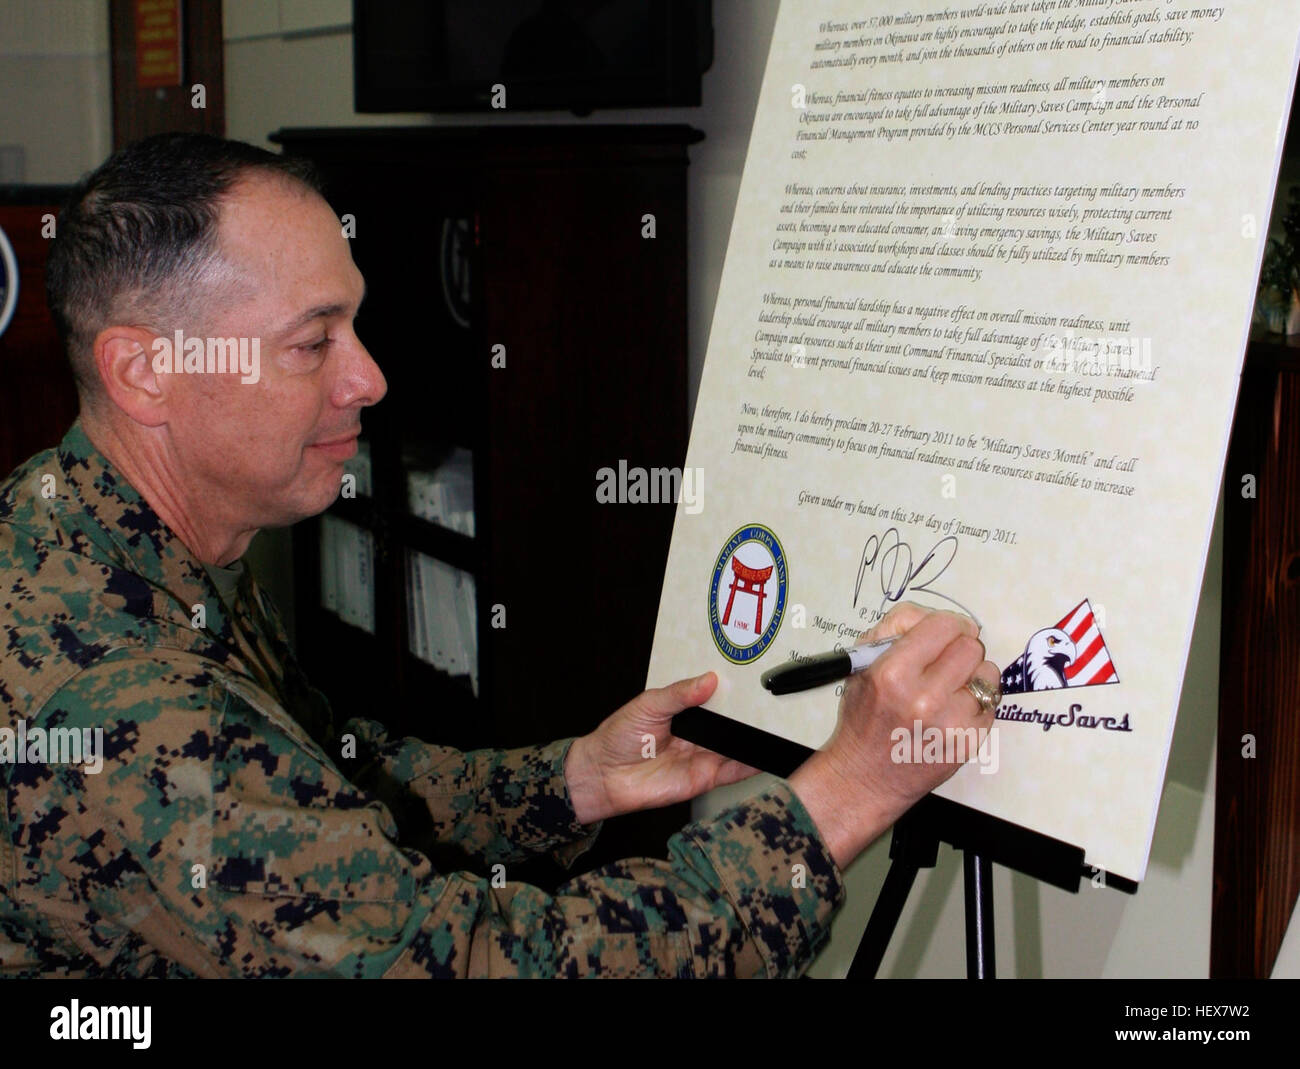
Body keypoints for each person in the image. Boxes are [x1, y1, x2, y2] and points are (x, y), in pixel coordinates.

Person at [0, 133, 1000, 978]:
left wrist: (572, 781)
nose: (371, 377)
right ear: (147, 371)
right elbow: (470, 962)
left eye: (355, 324)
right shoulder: (111, 697)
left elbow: (311, 774)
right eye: (313, 344)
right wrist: (849, 793)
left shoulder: (92, 528)